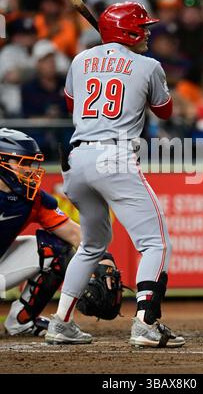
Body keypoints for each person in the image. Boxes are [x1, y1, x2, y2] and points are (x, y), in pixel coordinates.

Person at [45, 1, 185, 348]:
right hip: (114, 156)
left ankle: (60, 322)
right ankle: (146, 323)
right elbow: (165, 111)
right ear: (130, 31)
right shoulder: (148, 65)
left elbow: (72, 106)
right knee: (154, 242)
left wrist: (106, 67)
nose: (149, 32)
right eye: (143, 27)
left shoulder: (80, 60)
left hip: (76, 160)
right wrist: (130, 71)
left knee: (92, 244)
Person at [0, 128, 120, 337]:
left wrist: (104, 259)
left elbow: (75, 235)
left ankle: (21, 321)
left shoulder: (33, 198)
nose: (29, 170)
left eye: (30, 164)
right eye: (22, 163)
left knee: (58, 250)